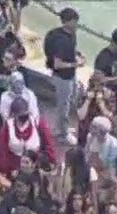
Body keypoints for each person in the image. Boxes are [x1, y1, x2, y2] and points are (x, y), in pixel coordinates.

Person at [43, 7, 83, 146]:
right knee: (63, 105)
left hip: (70, 74)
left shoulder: (71, 34)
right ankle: (62, 134)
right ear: (67, 22)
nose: (77, 24)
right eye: (74, 21)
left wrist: (77, 55)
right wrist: (76, 64)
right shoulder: (61, 41)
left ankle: (62, 127)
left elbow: (72, 50)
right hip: (62, 77)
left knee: (70, 100)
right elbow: (58, 64)